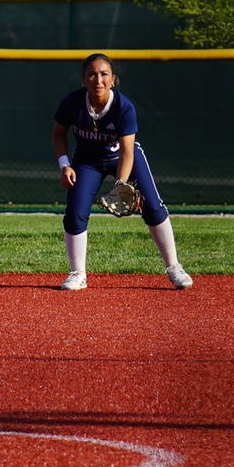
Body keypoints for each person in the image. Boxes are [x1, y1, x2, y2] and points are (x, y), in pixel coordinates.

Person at [50, 52, 191, 292]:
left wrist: (121, 185)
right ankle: (77, 274)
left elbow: (127, 151)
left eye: (104, 74)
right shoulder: (72, 102)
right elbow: (58, 133)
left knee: (153, 207)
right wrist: (65, 165)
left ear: (113, 79)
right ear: (83, 79)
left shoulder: (124, 107)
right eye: (92, 74)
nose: (98, 80)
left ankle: (174, 266)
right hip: (87, 160)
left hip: (124, 158)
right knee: (75, 213)